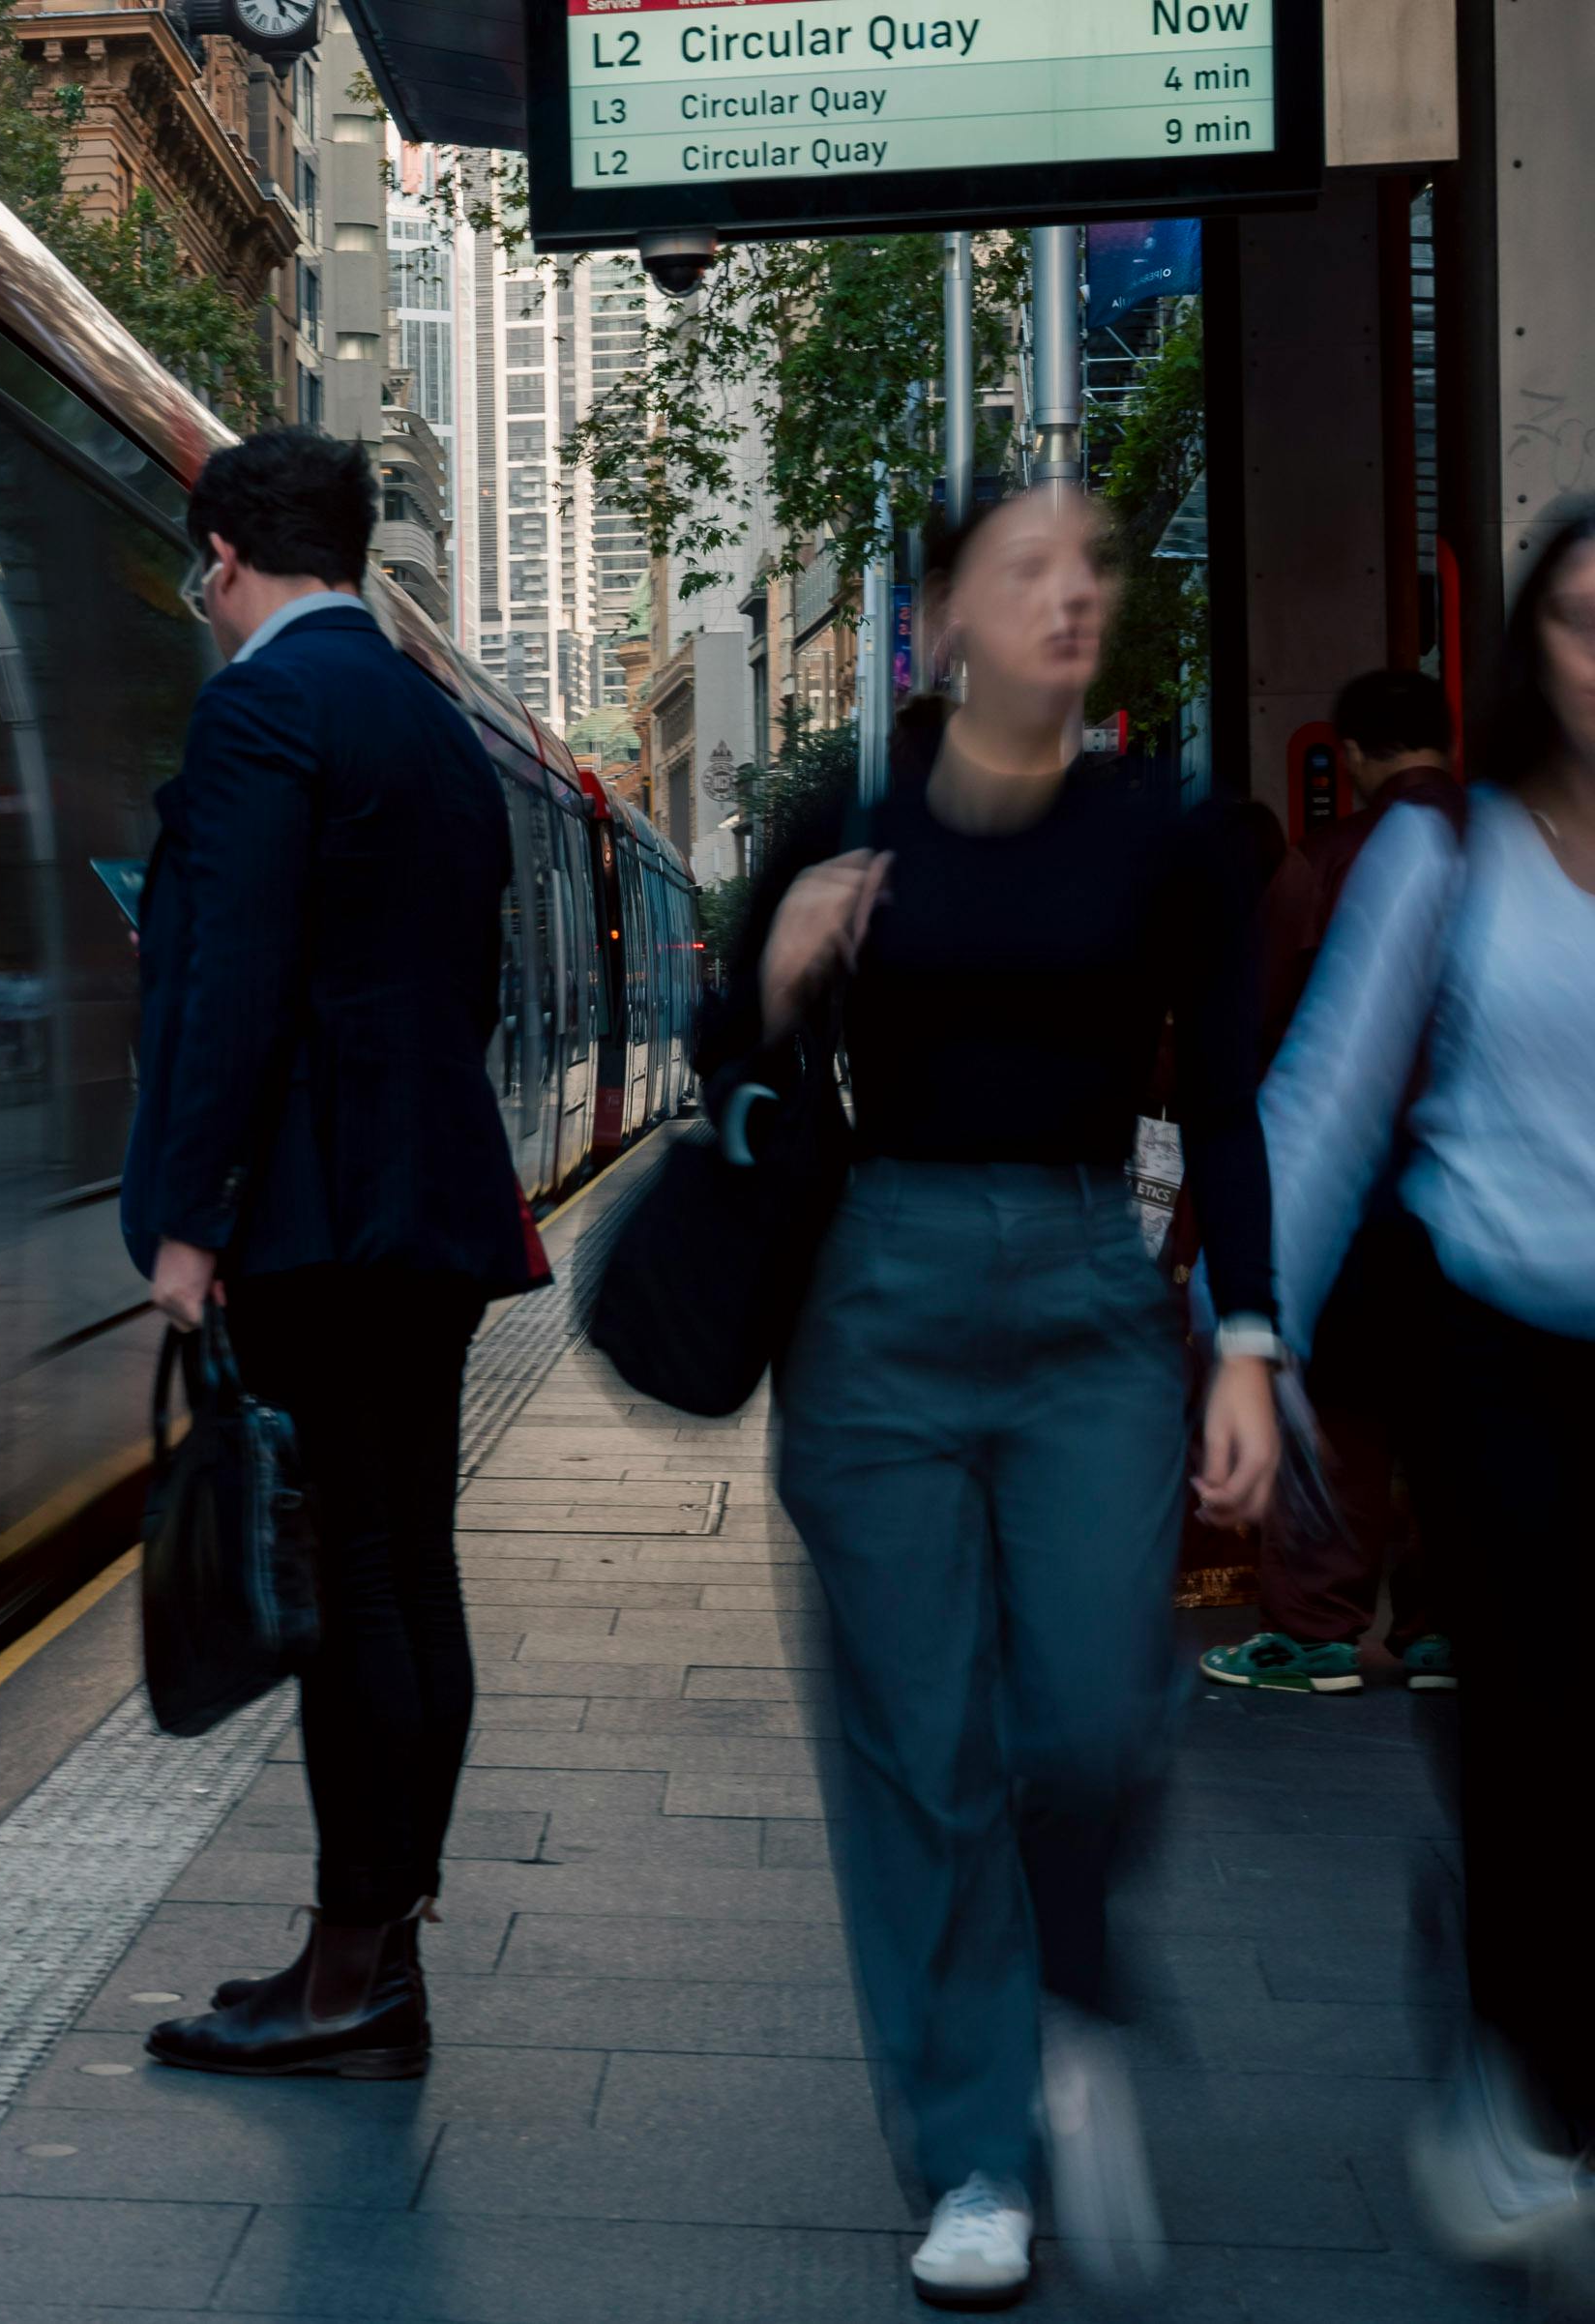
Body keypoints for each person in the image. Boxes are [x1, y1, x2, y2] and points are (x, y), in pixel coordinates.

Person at [710, 484, 1281, 2308]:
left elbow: (1238, 1097)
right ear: (943, 609)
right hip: (878, 1294)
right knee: (920, 1752)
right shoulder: (847, 817)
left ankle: (1073, 1976)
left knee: (1094, 1712)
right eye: (1027, 566)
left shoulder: (1161, 838)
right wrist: (784, 973)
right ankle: (977, 2149)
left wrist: (1251, 1336)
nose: (1072, 594)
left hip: (1088, 1293)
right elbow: (727, 1060)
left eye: (1092, 566)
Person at [119, 427, 538, 2079]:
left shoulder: (259, 710)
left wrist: (187, 1214)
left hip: (311, 1215)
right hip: (429, 1207)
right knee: (408, 1570)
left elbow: (226, 979)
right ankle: (373, 1945)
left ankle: (352, 1972)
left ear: (223, 553)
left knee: (348, 1583)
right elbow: (469, 982)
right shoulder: (433, 727)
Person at [1261, 509, 1595, 2271]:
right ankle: (1514, 2064)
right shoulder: (1452, 857)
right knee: (1540, 1726)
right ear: (1532, 650)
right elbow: (1326, 1096)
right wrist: (1253, 1340)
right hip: (1508, 1356)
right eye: (1586, 623)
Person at [1199, 666, 1461, 1696]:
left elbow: (1259, 1024)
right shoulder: (1527, 847)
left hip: (1358, 1188)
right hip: (1483, 1193)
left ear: (1349, 753)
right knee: (1452, 1404)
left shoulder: (1331, 858)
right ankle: (1445, 1625)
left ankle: (1313, 1631)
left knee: (1338, 1410)